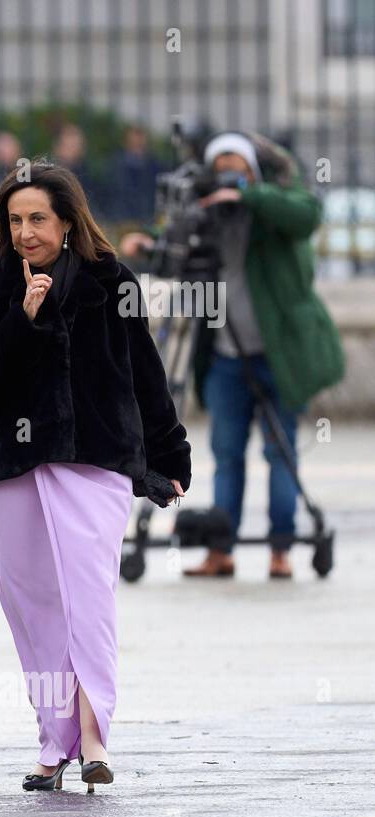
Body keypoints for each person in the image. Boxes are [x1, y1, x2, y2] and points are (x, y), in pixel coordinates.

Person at [0, 161, 192, 793]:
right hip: (19, 463)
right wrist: (22, 321)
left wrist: (167, 458)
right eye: (15, 220)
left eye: (38, 218)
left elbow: (146, 374)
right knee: (29, 602)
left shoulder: (111, 280)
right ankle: (52, 739)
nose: (26, 231)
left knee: (87, 596)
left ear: (67, 220)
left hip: (95, 458)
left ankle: (93, 739)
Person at [124, 132, 343, 579]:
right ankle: (219, 548)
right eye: (219, 167)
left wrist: (248, 195)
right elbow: (173, 237)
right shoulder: (205, 216)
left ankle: (281, 550)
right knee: (226, 451)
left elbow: (305, 214)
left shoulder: (274, 209)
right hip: (225, 355)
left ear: (252, 171)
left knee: (280, 451)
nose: (228, 175)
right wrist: (147, 241)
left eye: (237, 167)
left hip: (279, 354)